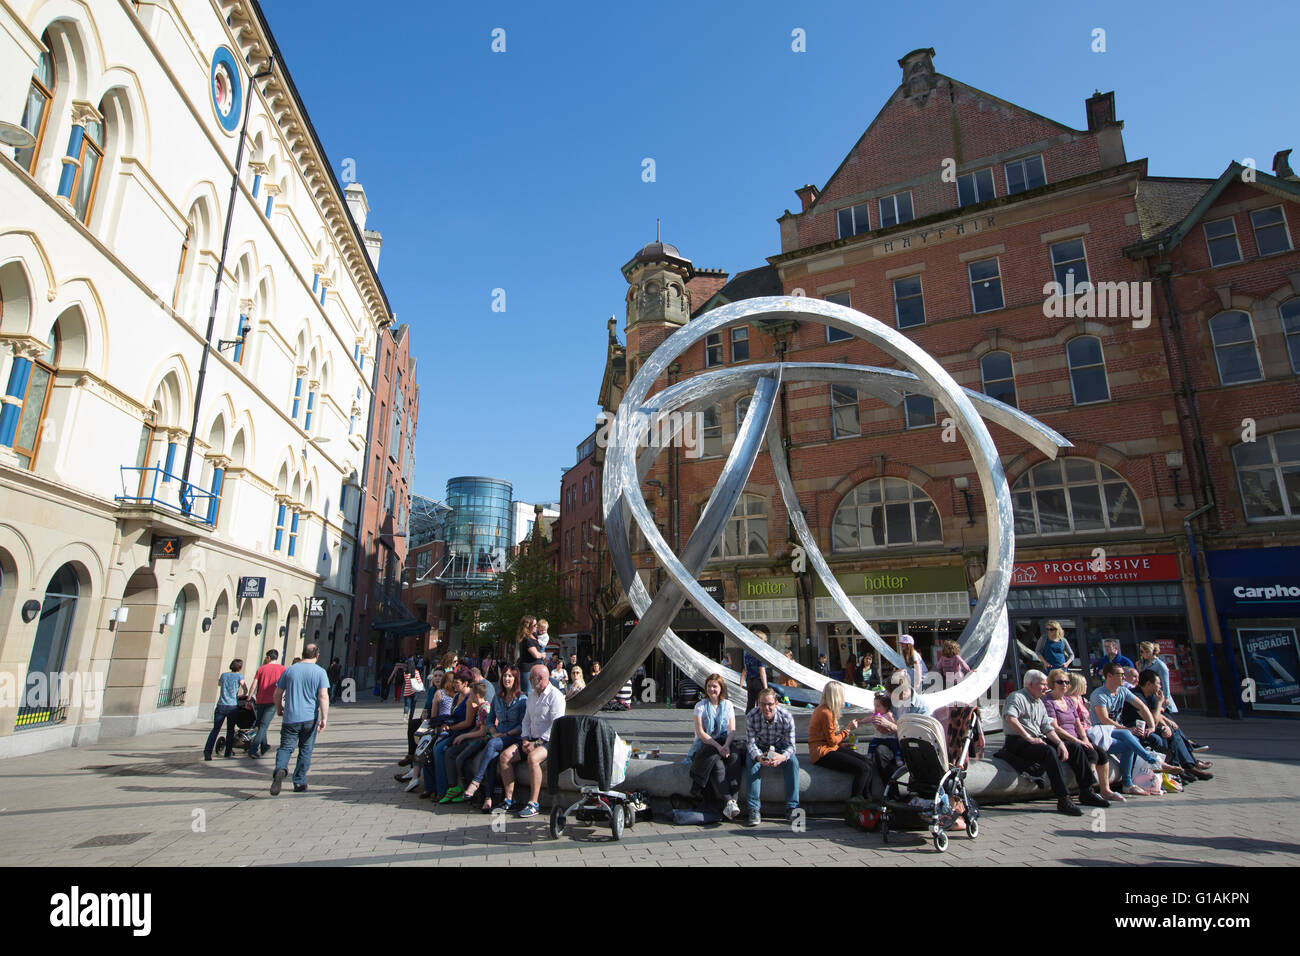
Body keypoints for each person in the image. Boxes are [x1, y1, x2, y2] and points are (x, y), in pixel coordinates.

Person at [1001, 670, 1102, 815]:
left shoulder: (1039, 702)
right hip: (1017, 741)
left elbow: (1047, 727)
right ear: (1030, 684)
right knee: (1048, 752)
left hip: (1035, 738)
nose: (1045, 688)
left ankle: (1087, 791)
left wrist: (1060, 743)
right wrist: (1028, 737)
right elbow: (1010, 718)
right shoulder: (1017, 697)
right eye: (1042, 685)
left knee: (1074, 747)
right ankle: (1063, 799)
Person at [1045, 669, 1121, 804]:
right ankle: (1087, 791)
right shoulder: (1048, 701)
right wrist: (1077, 740)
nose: (1064, 685)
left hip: (1077, 737)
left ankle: (1105, 790)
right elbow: (1054, 727)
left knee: (1101, 753)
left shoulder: (1067, 701)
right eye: (1060, 682)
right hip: (1061, 738)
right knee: (1087, 753)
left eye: (1066, 682)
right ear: (1052, 683)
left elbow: (1077, 723)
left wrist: (1084, 738)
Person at [1089, 663, 1166, 796]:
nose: (1124, 677)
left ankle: (1127, 784)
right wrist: (1126, 729)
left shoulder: (1123, 690)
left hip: (1117, 733)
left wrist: (1152, 726)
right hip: (1101, 733)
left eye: (1124, 674)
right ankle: (1151, 760)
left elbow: (1142, 707)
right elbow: (1104, 720)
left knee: (1130, 744)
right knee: (1127, 735)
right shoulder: (1099, 694)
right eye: (1121, 674)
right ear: (1109, 676)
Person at [500, 664, 566, 818]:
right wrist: (524, 739)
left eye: (531, 678)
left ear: (540, 678)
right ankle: (509, 799)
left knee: (533, 758)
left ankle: (533, 802)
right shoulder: (532, 695)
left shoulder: (556, 696)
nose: (529, 681)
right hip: (530, 739)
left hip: (550, 740)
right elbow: (526, 720)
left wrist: (536, 743)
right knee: (505, 756)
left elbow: (556, 725)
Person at [1124, 670, 1212, 781]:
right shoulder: (1136, 696)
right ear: (1148, 684)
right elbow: (1153, 720)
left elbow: (1157, 715)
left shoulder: (1150, 694)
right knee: (1161, 737)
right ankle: (1184, 765)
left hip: (1149, 727)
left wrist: (1165, 726)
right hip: (1138, 728)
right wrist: (1160, 703)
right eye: (1158, 683)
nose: (1160, 686)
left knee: (1171, 729)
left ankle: (1185, 766)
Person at [461, 666, 527, 811]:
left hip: (514, 737)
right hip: (499, 737)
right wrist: (493, 731)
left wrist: (505, 734)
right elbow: (490, 720)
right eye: (504, 676)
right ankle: (488, 799)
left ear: (515, 679)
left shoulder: (522, 699)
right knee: (492, 757)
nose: (507, 679)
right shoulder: (498, 697)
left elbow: (523, 725)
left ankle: (476, 782)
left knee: (492, 744)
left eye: (510, 676)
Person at [270, 644, 330, 794]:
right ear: (317, 655)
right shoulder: (320, 672)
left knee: (285, 747)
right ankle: (299, 781)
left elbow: (277, 694)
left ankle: (280, 769)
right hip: (310, 717)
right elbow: (323, 696)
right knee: (305, 749)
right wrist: (324, 718)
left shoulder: (290, 670)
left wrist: (279, 709)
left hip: (290, 717)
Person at [681, 673, 742, 819]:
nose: (711, 689)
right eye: (709, 686)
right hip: (707, 744)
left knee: (735, 758)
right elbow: (701, 733)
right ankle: (729, 803)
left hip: (725, 742)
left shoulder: (727, 705)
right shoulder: (700, 706)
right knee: (717, 763)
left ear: (721, 688)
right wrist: (718, 747)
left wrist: (726, 745)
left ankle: (733, 801)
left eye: (715, 686)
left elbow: (732, 730)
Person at [808, 681, 874, 801]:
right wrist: (847, 730)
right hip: (821, 753)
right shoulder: (825, 713)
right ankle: (855, 801)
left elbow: (828, 739)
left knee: (868, 763)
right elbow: (832, 741)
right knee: (863, 768)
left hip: (828, 748)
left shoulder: (824, 710)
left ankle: (867, 797)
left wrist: (842, 744)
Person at [743, 688, 799, 827]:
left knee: (793, 763)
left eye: (769, 704)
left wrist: (782, 757)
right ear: (758, 704)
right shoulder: (752, 716)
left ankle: (792, 807)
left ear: (776, 703)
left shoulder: (786, 717)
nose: (766, 708)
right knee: (752, 764)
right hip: (760, 747)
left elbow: (792, 746)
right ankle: (754, 809)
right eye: (762, 704)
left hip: (779, 747)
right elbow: (751, 743)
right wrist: (758, 757)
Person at [424, 667, 479, 799]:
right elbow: (452, 715)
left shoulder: (470, 698)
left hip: (464, 732)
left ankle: (445, 789)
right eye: (454, 682)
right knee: (430, 748)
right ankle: (433, 787)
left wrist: (451, 727)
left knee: (440, 750)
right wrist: (445, 723)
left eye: (457, 682)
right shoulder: (456, 696)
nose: (453, 685)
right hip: (453, 730)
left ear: (465, 683)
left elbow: (467, 722)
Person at [441, 680, 492, 803]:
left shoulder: (484, 709)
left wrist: (464, 737)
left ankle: (466, 790)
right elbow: (477, 727)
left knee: (460, 758)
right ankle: (460, 788)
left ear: (477, 696)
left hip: (482, 740)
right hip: (476, 737)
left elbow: (483, 732)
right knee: (455, 754)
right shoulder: (480, 707)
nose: (469, 697)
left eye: (471, 695)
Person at [204, 659, 248, 760]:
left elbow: (220, 684)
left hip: (221, 704)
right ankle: (228, 752)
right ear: (240, 668)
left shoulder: (224, 675)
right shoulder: (239, 676)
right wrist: (241, 695)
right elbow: (245, 688)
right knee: (230, 730)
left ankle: (207, 751)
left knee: (215, 729)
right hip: (232, 705)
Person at [246, 650, 285, 760]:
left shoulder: (261, 668)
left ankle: (264, 746)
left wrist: (249, 698)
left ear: (268, 657)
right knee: (263, 725)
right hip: (272, 701)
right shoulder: (282, 669)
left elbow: (254, 685)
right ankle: (253, 749)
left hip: (260, 700)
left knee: (260, 724)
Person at [1137, 643, 1177, 714]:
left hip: (1159, 695)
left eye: (1142, 651)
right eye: (1141, 652)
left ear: (1149, 652)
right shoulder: (1145, 664)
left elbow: (1165, 683)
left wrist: (1166, 698)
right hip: (1150, 695)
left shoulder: (1160, 665)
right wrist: (1139, 669)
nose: (1141, 654)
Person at [741, 628, 769, 712]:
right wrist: (765, 687)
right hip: (758, 681)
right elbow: (762, 671)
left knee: (750, 703)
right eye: (764, 641)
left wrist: (742, 683)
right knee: (760, 703)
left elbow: (745, 669)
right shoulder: (759, 654)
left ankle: (748, 720)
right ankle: (759, 719)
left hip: (749, 681)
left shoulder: (747, 653)